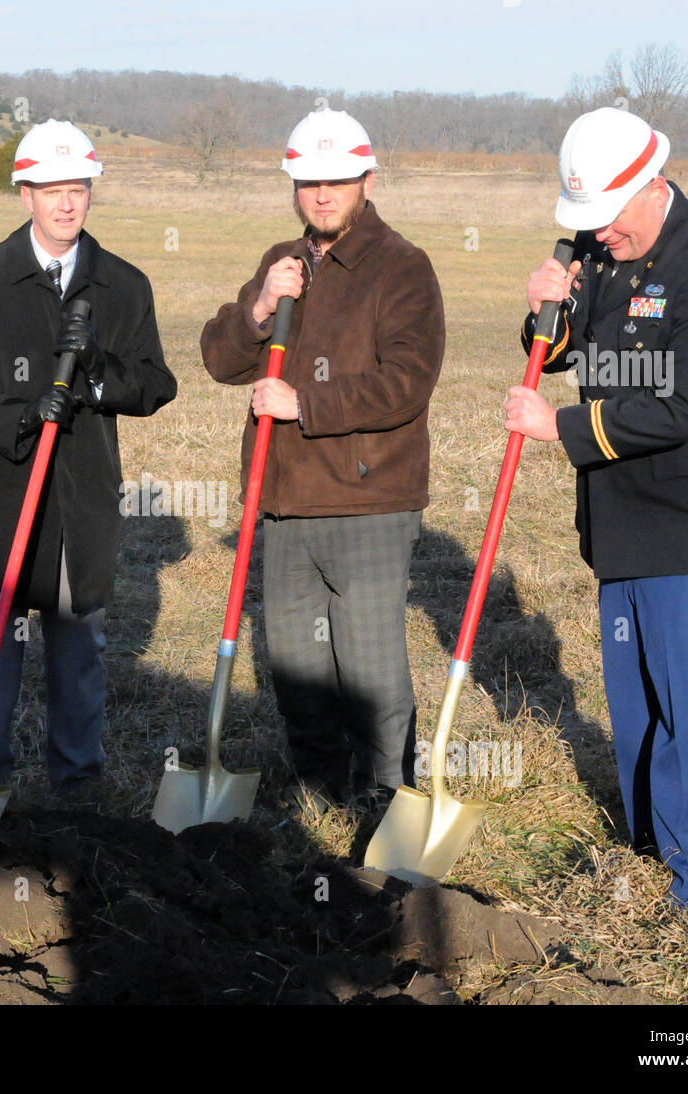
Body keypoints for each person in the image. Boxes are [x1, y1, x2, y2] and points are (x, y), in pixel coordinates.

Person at [503, 107, 688, 906]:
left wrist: (557, 428)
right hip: (622, 524)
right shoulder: (602, 252)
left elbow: (680, 406)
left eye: (608, 217)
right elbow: (564, 352)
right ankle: (651, 848)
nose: (599, 234)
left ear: (652, 184)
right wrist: (542, 313)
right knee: (641, 710)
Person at [201, 107, 446, 814]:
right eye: (309, 181)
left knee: (369, 665)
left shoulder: (402, 267)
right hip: (281, 503)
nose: (321, 193)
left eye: (336, 180)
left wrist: (303, 403)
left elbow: (406, 382)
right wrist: (259, 304)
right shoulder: (283, 262)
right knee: (297, 666)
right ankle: (323, 792)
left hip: (367, 500)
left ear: (367, 179)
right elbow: (221, 360)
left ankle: (389, 799)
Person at [0, 119, 176, 800]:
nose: (67, 204)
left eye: (79, 189)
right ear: (24, 192)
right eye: (50, 190)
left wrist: (96, 373)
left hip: (77, 506)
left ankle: (77, 798)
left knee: (76, 665)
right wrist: (19, 417)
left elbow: (155, 383)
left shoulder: (122, 285)